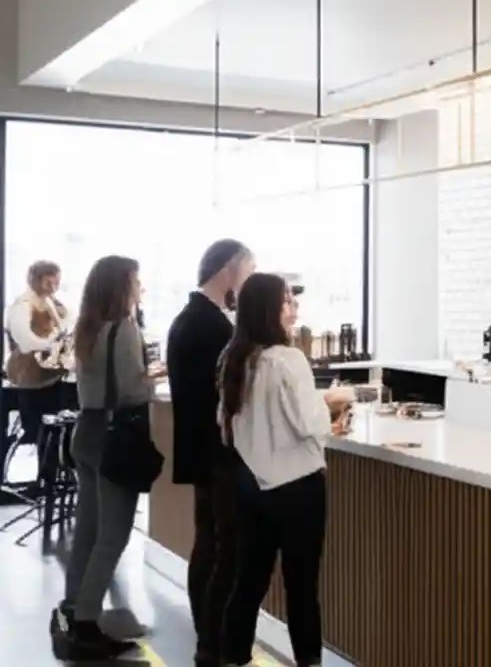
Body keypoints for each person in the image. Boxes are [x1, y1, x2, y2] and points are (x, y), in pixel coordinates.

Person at [220, 273, 341, 667]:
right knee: (301, 588)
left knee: (249, 582)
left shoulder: (237, 358)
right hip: (298, 488)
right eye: (289, 301)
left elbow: (229, 422)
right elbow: (310, 423)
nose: (295, 308)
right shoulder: (288, 360)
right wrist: (334, 405)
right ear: (271, 310)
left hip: (250, 483)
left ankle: (233, 657)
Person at [55, 256, 150, 660]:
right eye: (135, 280)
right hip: (117, 438)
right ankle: (88, 624)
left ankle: (74, 606)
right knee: (114, 535)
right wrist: (154, 378)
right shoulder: (125, 330)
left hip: (87, 432)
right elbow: (131, 390)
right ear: (120, 286)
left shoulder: (86, 329)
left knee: (89, 532)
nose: (139, 286)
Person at [165, 239, 253, 667]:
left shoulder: (188, 319)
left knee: (207, 544)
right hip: (219, 453)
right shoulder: (212, 326)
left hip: (199, 451)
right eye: (248, 271)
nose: (249, 282)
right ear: (228, 269)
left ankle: (206, 636)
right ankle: (213, 642)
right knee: (224, 549)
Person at [4, 261, 72, 464]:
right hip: (30, 374)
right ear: (36, 280)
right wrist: (51, 344)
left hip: (51, 373)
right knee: (39, 427)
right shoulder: (23, 305)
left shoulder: (51, 302)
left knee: (58, 424)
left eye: (56, 282)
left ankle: (53, 467)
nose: (53, 287)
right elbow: (25, 341)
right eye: (48, 282)